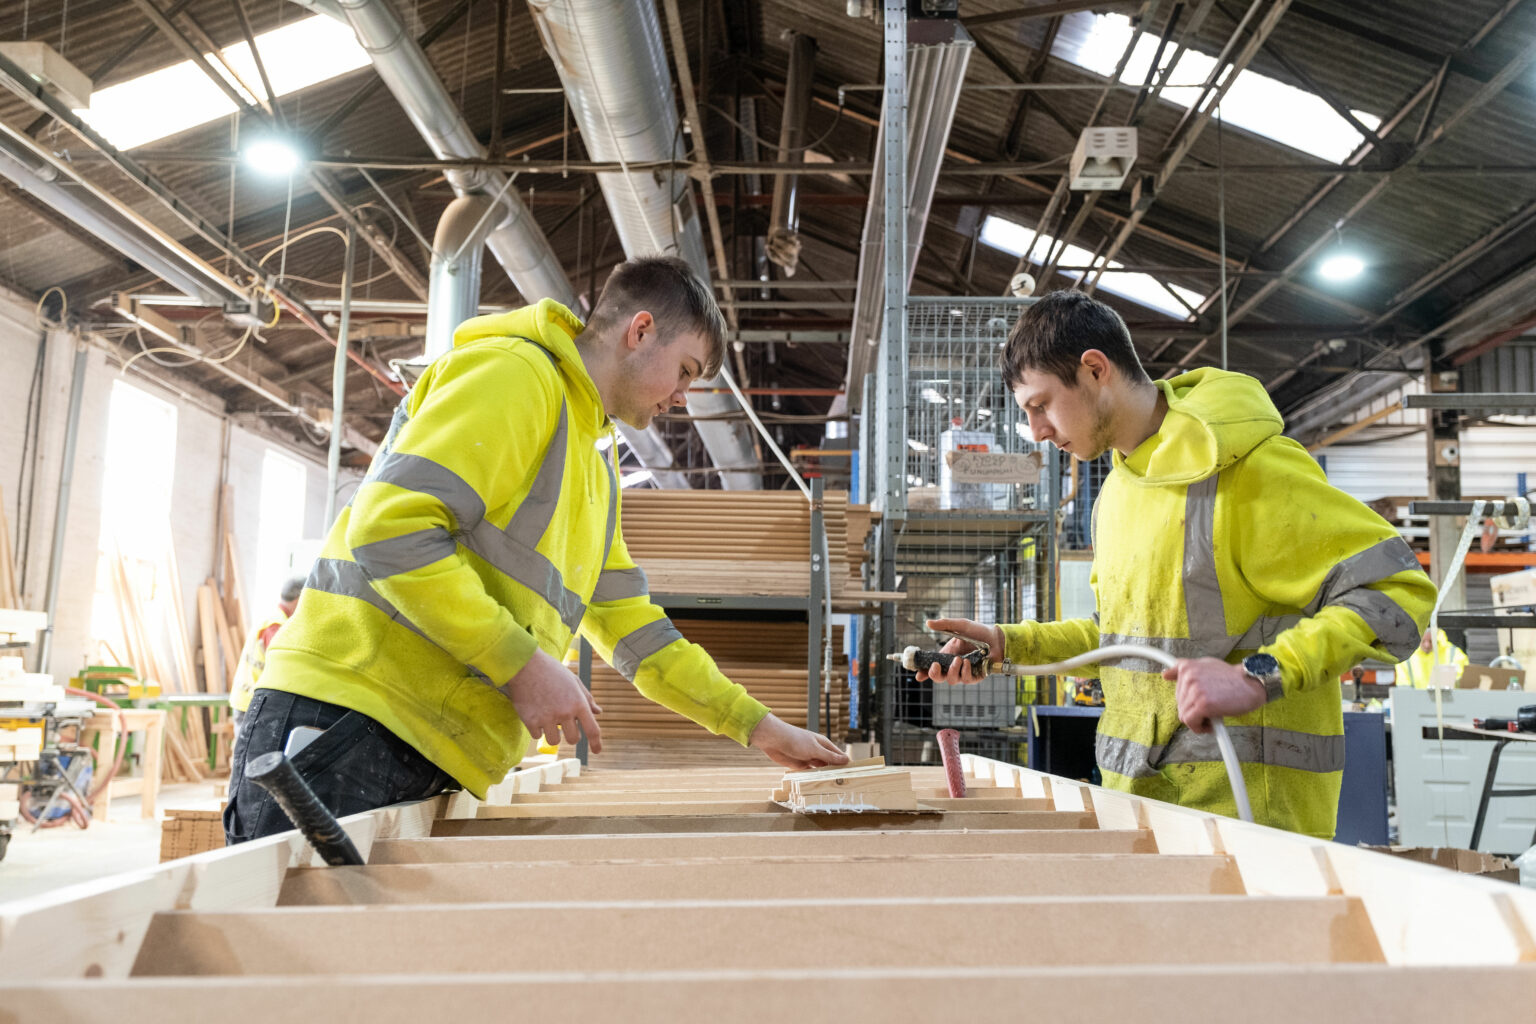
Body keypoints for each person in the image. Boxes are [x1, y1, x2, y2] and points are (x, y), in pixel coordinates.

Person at [225, 256, 846, 843]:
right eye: (685, 369)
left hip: (423, 742)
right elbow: (389, 529)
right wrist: (520, 663)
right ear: (640, 331)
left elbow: (638, 634)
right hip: (347, 718)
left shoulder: (595, 465)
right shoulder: (515, 375)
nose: (683, 396)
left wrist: (759, 727)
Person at [921, 290, 1436, 838]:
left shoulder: (1246, 469)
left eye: (1041, 405)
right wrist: (1009, 644)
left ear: (1095, 369)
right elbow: (1129, 642)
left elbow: (1396, 592)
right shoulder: (1116, 493)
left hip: (1249, 823)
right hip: (1139, 813)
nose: (1038, 432)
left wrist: (1260, 676)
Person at [227, 575, 304, 755]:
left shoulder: (272, 618)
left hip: (247, 700)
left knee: (246, 757)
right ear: (299, 599)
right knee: (250, 759)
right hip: (251, 703)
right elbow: (281, 667)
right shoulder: (276, 626)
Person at [1397, 627, 1469, 688]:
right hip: (1415, 699)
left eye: (1431, 641)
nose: (1427, 645)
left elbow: (1464, 682)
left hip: (1447, 699)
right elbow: (1403, 687)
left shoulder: (1455, 654)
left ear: (1438, 638)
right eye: (1423, 641)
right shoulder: (1406, 657)